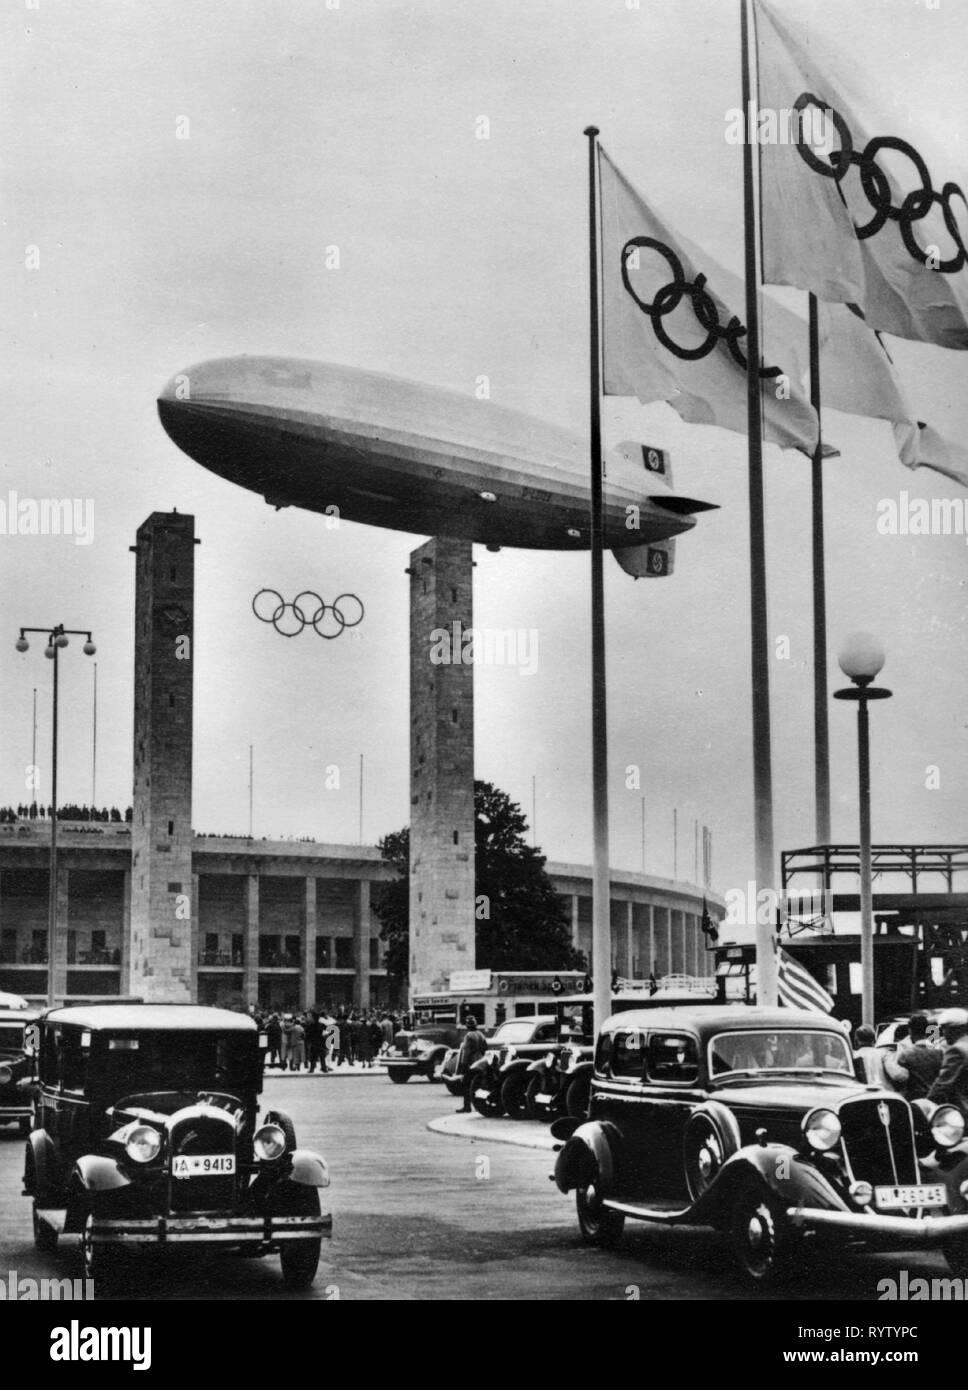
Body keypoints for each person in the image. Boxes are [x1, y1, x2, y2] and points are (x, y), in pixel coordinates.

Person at [885, 1012, 941, 1099]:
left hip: (915, 1099)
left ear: (910, 1031)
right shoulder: (939, 1052)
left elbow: (898, 1077)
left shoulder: (905, 1054)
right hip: (935, 1098)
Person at [927, 1008, 968, 1114]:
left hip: (962, 1110)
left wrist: (925, 1104)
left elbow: (943, 1085)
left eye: (943, 1029)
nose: (943, 1034)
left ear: (953, 1029)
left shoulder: (957, 1050)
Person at [455, 1015, 488, 1114]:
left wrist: (463, 1065)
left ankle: (467, 1107)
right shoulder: (481, 1034)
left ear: (467, 1026)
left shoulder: (468, 1036)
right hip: (481, 1062)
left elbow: (466, 1051)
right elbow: (485, 1047)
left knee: (466, 1084)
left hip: (472, 1063)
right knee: (478, 1084)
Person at [853, 1024, 892, 1088]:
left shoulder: (853, 1056)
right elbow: (897, 1075)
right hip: (884, 1093)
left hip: (863, 1094)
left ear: (856, 1041)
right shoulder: (883, 1053)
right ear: (874, 1040)